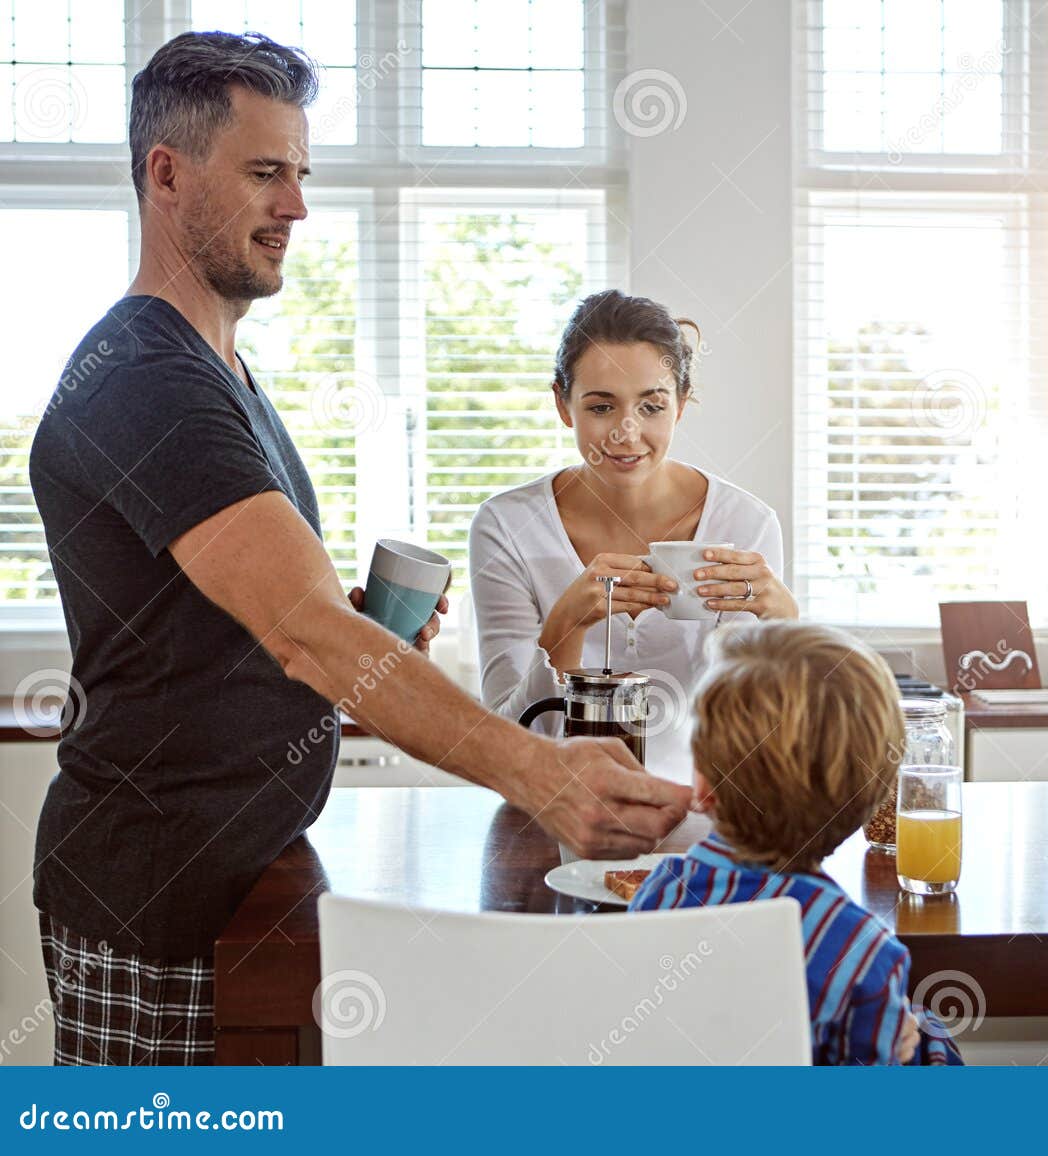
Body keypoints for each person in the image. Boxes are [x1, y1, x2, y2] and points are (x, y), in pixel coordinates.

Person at [28, 31, 688, 1066]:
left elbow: (246, 619)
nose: (295, 205)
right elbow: (303, 636)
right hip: (156, 888)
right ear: (165, 173)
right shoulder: (146, 378)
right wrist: (539, 772)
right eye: (263, 173)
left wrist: (351, 622)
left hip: (246, 865)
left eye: (301, 174)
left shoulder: (221, 373)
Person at [470, 290, 797, 783]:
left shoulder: (746, 525)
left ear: (681, 405)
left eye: (652, 406)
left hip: (701, 812)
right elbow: (508, 745)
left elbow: (760, 736)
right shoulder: (505, 528)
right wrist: (567, 624)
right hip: (552, 809)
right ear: (563, 404)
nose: (627, 432)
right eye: (601, 407)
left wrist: (785, 627)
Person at [628, 620, 963, 1065]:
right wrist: (922, 1040)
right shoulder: (864, 956)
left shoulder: (661, 894)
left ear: (704, 786)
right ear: (877, 802)